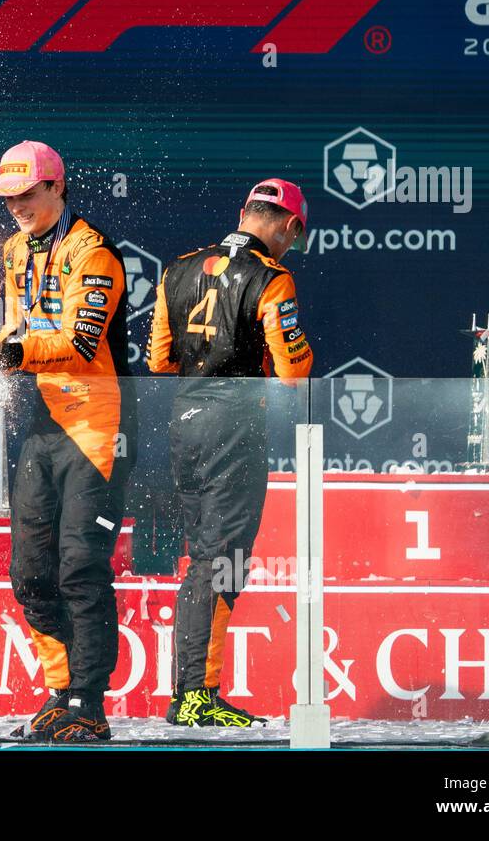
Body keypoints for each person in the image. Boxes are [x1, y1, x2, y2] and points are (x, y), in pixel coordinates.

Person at [0, 140, 137, 743]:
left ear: (56, 188)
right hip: (42, 426)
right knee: (29, 575)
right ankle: (60, 692)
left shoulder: (93, 253)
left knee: (80, 569)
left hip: (98, 427)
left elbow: (80, 341)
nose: (15, 206)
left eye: (26, 195)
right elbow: (19, 327)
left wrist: (13, 352)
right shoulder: (15, 248)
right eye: (7, 198)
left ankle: (89, 706)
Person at [146, 178, 313, 727]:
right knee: (223, 562)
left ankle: (187, 692)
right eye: (297, 237)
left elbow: (160, 362)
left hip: (185, 422)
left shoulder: (179, 266)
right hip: (235, 428)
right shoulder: (273, 278)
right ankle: (197, 695)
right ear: (290, 226)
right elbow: (294, 371)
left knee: (205, 558)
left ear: (243, 212)